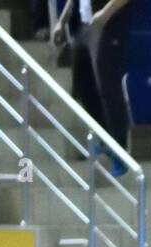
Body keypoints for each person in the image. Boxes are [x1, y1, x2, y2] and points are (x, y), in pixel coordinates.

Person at [51, 0, 133, 176]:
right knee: (84, 85)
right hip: (84, 25)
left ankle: (119, 151)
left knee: (108, 87)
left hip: (109, 25)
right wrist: (62, 21)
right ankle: (104, 140)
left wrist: (105, 13)